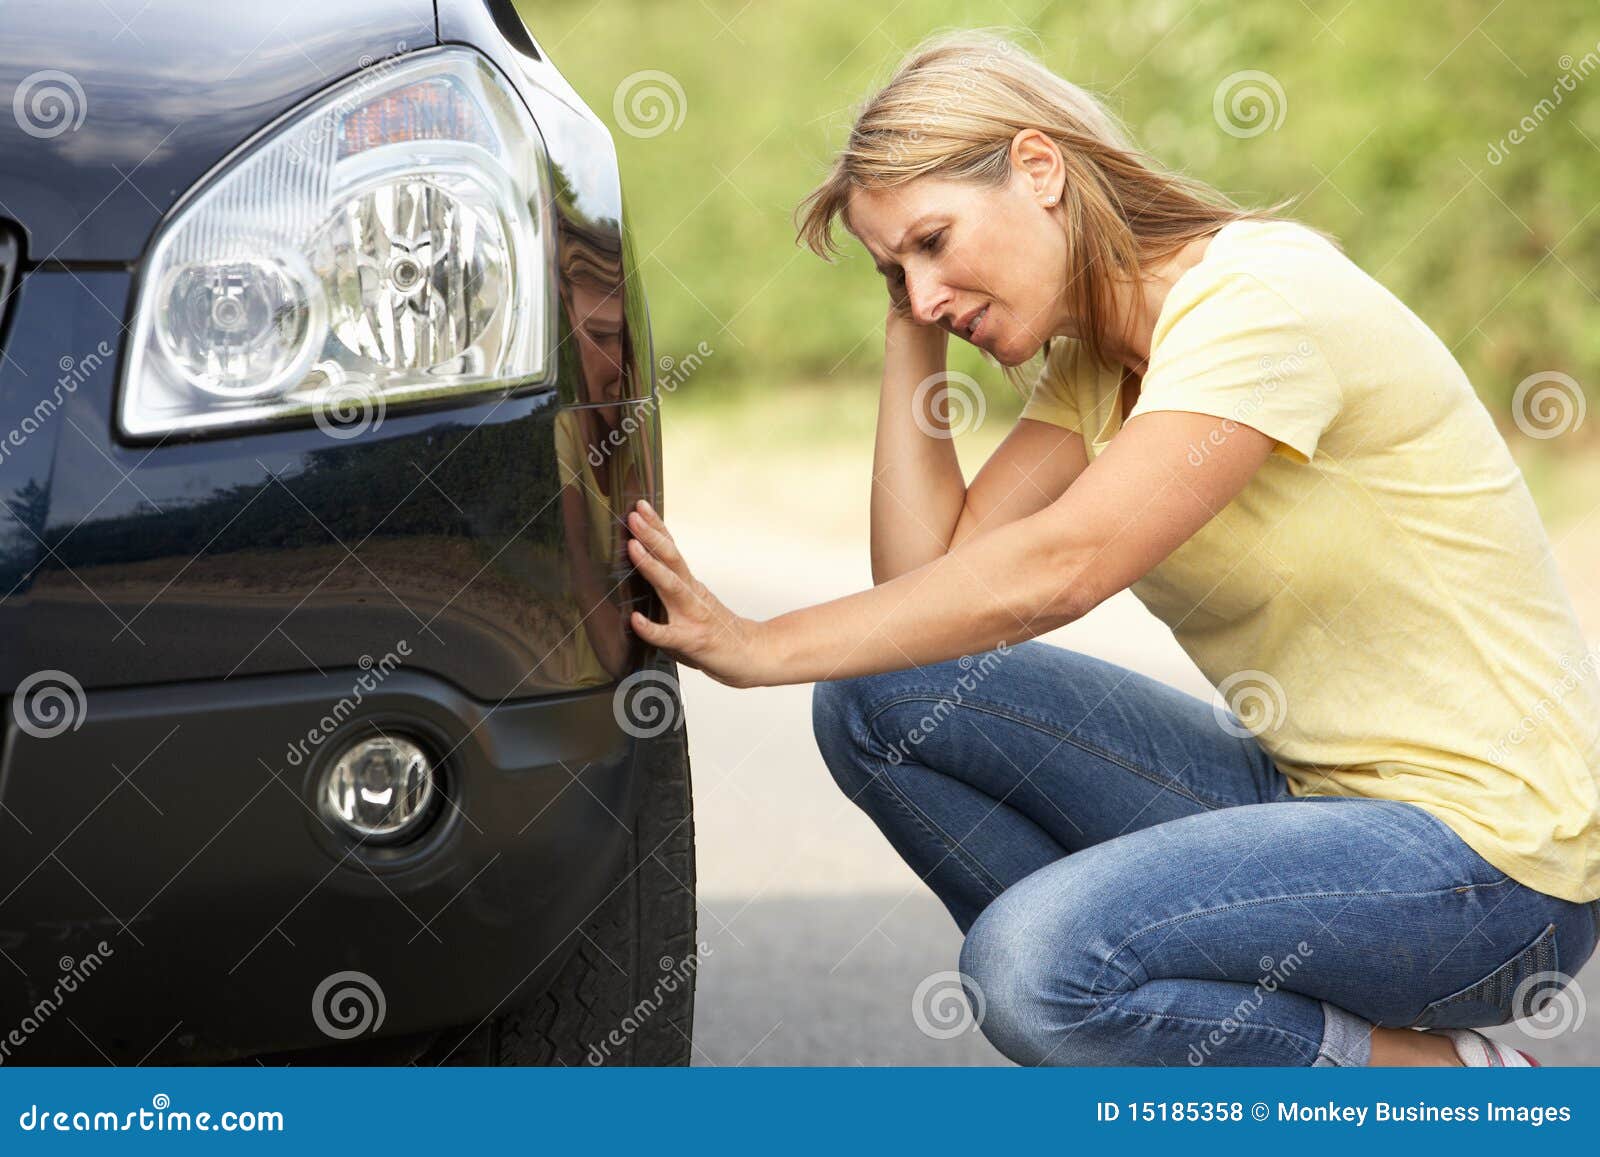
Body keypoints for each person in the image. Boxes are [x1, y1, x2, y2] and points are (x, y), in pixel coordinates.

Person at [620, 29, 1600, 1066]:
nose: (921, 294)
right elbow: (924, 598)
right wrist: (909, 310)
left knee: (1034, 967)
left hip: (1493, 869)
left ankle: (1437, 1083)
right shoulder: (1099, 363)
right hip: (1314, 811)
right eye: (891, 270)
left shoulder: (1253, 305)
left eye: (934, 240)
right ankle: (1173, 1049)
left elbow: (1059, 568)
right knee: (880, 700)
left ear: (1038, 168)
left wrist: (761, 644)